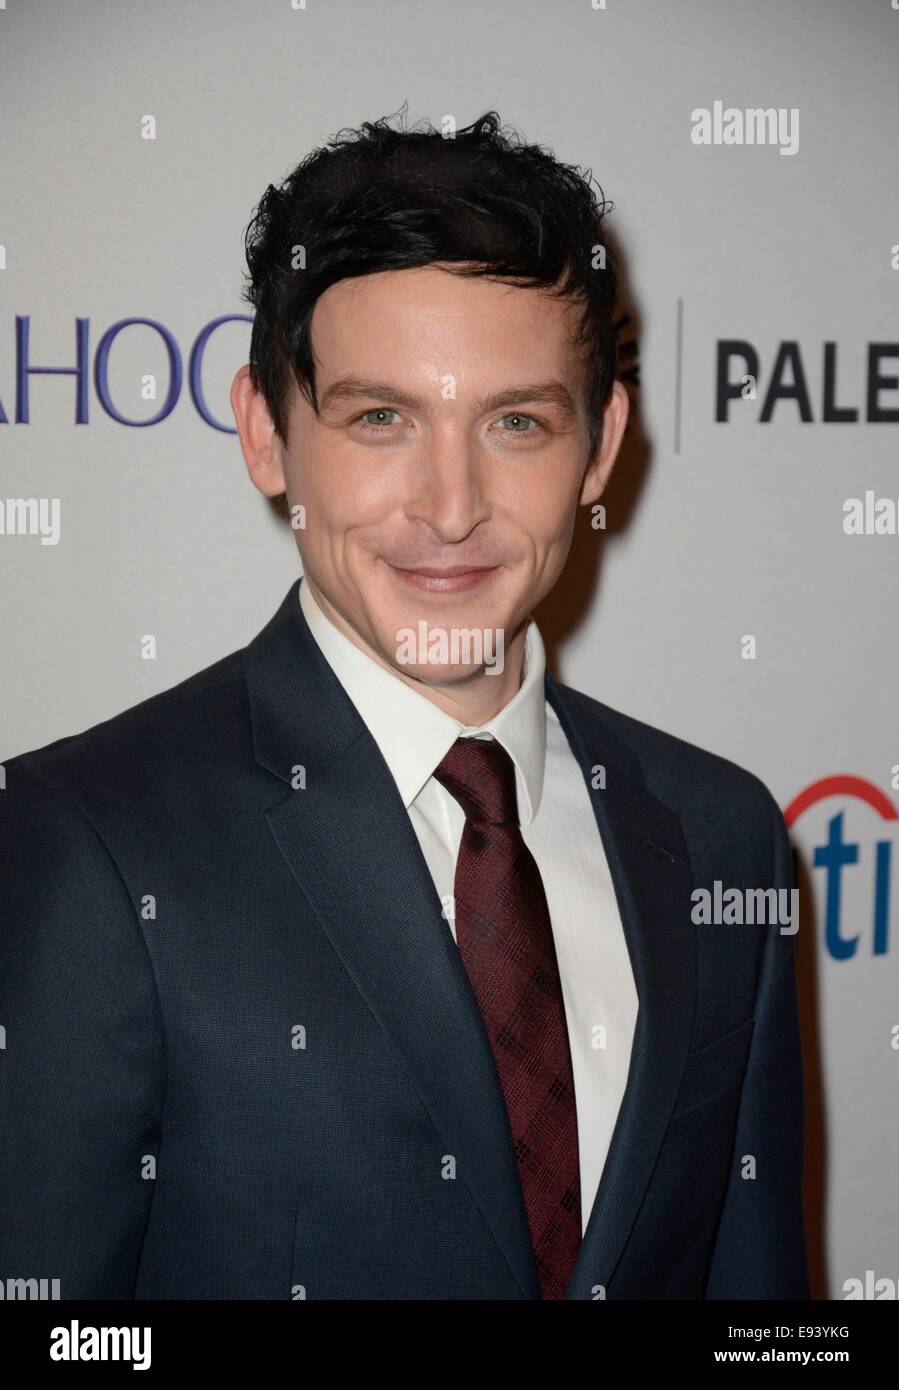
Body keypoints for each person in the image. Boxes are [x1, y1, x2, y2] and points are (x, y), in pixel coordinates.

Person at [0, 110, 808, 1300]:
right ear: (268, 433)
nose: (449, 505)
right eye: (380, 418)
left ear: (599, 450)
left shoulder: (719, 831)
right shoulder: (87, 840)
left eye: (515, 421)